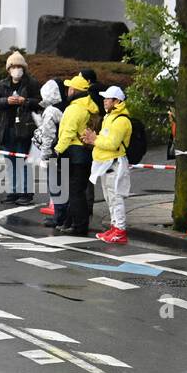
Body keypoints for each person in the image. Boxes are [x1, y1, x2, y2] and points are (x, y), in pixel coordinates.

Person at [85, 86, 134, 245]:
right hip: (106, 164)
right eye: (105, 98)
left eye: (108, 98)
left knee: (116, 198)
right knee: (109, 198)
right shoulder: (110, 117)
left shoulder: (121, 120)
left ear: (117, 101)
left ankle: (120, 230)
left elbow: (112, 143)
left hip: (114, 163)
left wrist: (94, 140)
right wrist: (95, 139)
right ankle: (115, 227)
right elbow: (106, 139)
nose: (105, 101)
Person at [0, 51, 42, 204]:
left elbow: (40, 102)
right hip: (7, 128)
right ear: (8, 69)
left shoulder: (31, 83)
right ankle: (13, 191)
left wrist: (25, 101)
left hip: (24, 128)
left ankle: (26, 193)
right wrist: (6, 101)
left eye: (19, 66)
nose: (16, 69)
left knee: (23, 161)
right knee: (9, 161)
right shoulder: (2, 84)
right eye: (13, 66)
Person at [55, 72, 101, 236]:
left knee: (75, 192)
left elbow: (68, 132)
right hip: (85, 153)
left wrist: (57, 150)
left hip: (74, 154)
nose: (67, 91)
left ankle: (80, 226)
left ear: (75, 90)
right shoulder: (89, 107)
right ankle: (69, 222)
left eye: (70, 88)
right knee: (78, 190)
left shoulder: (74, 109)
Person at [30, 79, 65, 221]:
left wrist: (44, 155)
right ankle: (61, 215)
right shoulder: (62, 108)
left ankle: (58, 216)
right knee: (61, 185)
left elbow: (48, 135)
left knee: (55, 185)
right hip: (62, 151)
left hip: (53, 153)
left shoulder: (50, 111)